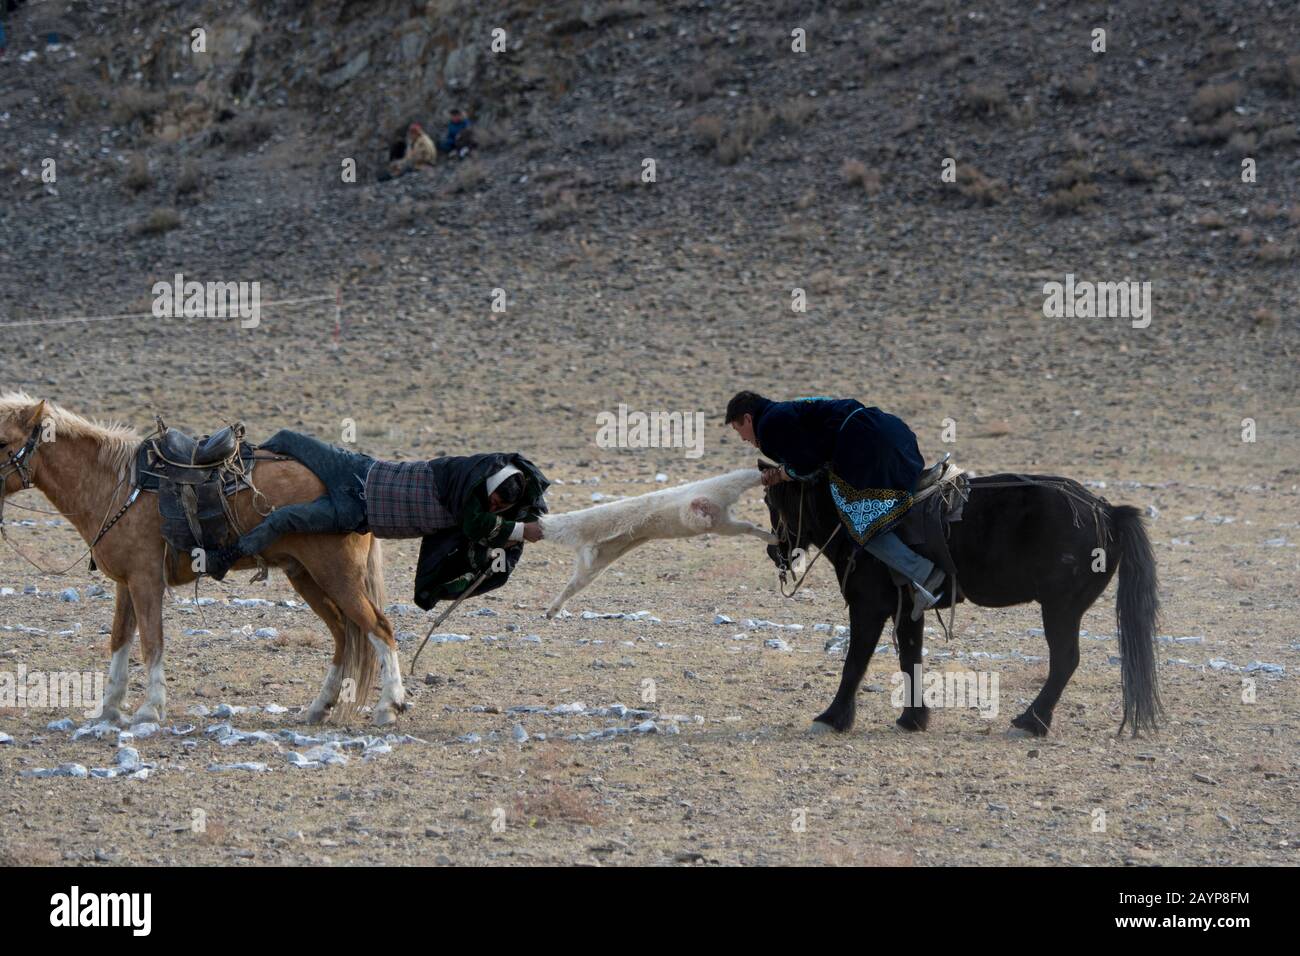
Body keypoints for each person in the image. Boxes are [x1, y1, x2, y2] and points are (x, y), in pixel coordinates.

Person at [203, 430, 545, 584]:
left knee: (285, 518)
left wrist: (519, 531)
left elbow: (477, 526)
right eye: (495, 499)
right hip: (359, 468)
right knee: (286, 438)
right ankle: (233, 473)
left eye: (498, 506)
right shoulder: (469, 477)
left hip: (356, 510)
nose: (492, 505)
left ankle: (228, 556)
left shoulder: (470, 503)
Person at [725, 391, 945, 619]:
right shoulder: (792, 408)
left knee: (863, 526)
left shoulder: (768, 426)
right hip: (891, 430)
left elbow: (807, 464)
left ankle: (926, 575)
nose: (742, 438)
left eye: (737, 429)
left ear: (748, 419)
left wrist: (782, 473)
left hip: (868, 445)